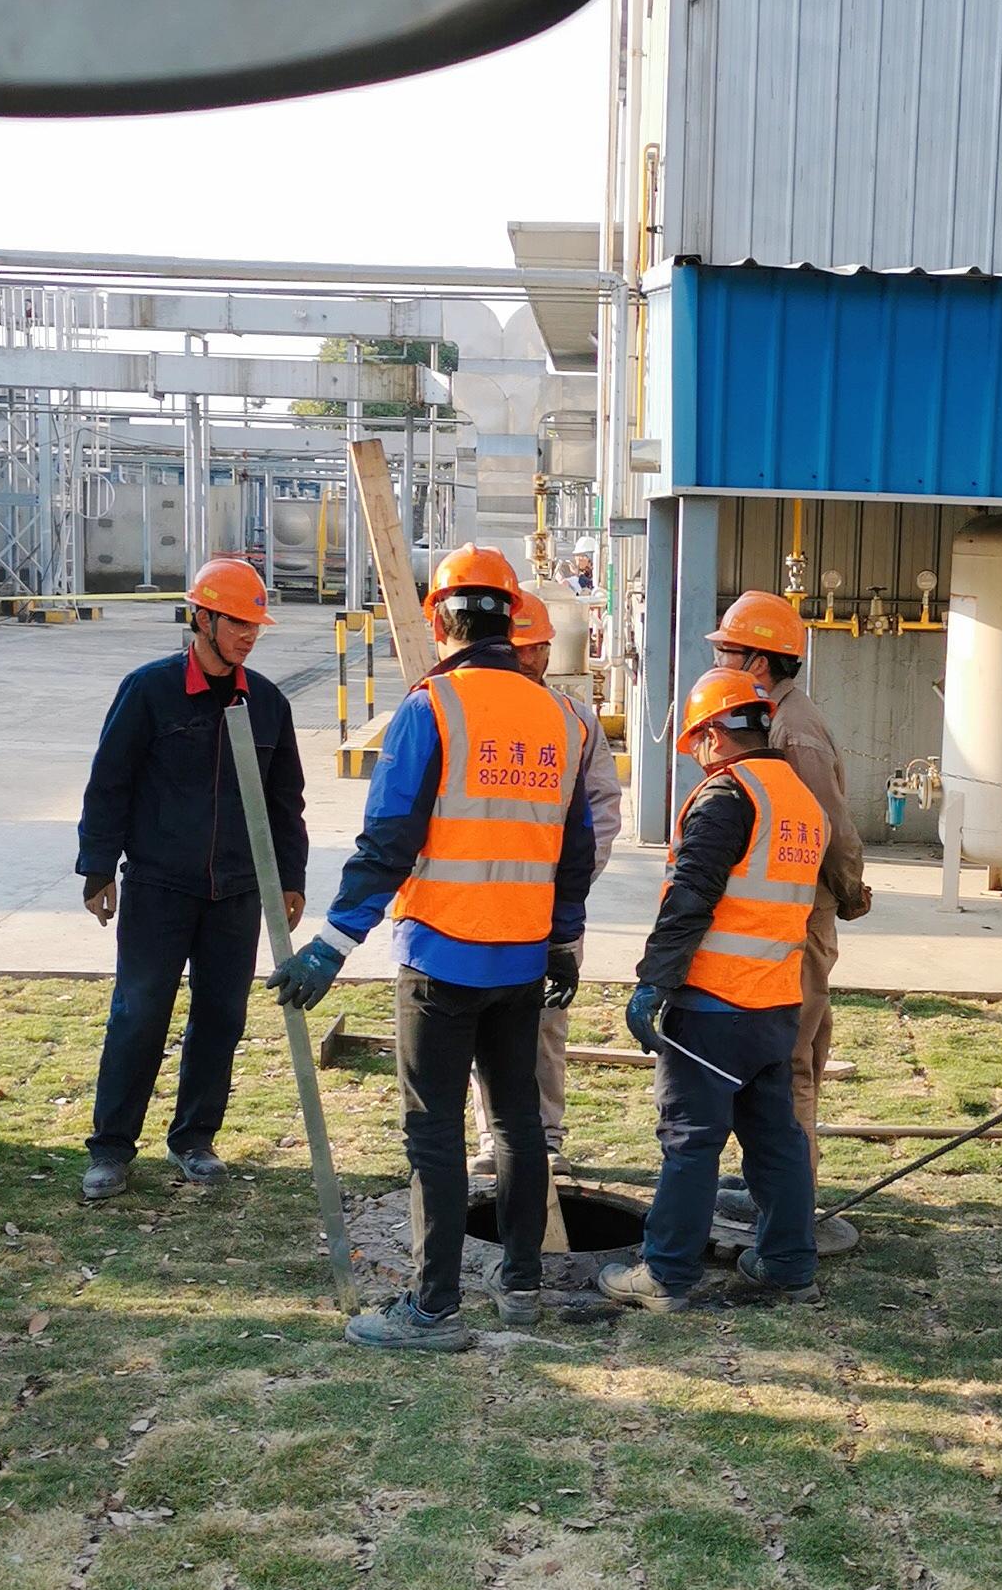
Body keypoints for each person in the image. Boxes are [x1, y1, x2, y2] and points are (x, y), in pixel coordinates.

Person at [268, 545, 596, 1350]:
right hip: (522, 963)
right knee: (517, 1123)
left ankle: (434, 1308)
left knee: (437, 1134)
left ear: (440, 619)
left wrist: (333, 944)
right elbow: (574, 850)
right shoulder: (562, 719)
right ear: (508, 619)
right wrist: (561, 945)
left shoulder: (431, 709)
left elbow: (388, 841)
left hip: (441, 961)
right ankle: (521, 1284)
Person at [75, 555, 306, 1201]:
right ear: (202, 619)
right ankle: (111, 1148)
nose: (248, 635)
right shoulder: (149, 692)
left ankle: (195, 1139)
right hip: (159, 886)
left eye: (254, 625)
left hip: (235, 892)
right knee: (139, 1013)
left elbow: (286, 801)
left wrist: (290, 878)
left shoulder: (267, 704)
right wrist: (97, 867)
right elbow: (109, 783)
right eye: (236, 623)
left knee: (221, 1016)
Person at [598, 668, 827, 1315]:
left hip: (713, 1005)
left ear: (715, 734)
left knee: (691, 1140)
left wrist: (654, 983)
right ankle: (788, 1265)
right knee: (775, 1139)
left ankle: (666, 1274)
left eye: (697, 742)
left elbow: (691, 897)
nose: (696, 756)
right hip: (776, 1003)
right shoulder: (799, 801)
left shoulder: (728, 796)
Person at [703, 589, 871, 1178]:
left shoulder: (791, 730)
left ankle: (789, 1195)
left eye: (727, 652)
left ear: (760, 661)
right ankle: (778, 1188)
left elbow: (831, 826)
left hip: (799, 919)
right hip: (783, 920)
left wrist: (848, 892)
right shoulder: (768, 715)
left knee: (789, 1060)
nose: (718, 661)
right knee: (784, 1055)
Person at [470, 587, 622, 1179]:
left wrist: (571, 885)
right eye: (522, 647)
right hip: (481, 902)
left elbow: (602, 808)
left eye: (540, 648)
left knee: (545, 1023)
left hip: (551, 907)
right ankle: (492, 1137)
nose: (532, 659)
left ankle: (547, 1135)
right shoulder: (473, 714)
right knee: (481, 1021)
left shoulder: (574, 721)